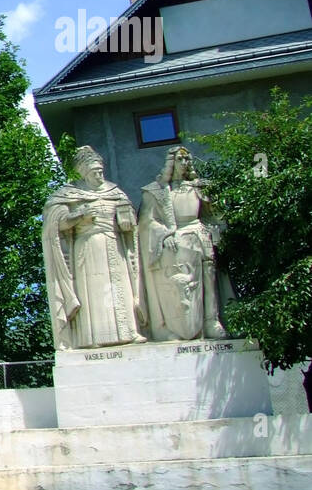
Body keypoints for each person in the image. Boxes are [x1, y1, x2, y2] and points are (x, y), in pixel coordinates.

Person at [42, 146, 147, 350]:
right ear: (84, 172)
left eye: (100, 171)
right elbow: (57, 223)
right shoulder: (70, 194)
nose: (99, 175)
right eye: (94, 172)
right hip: (88, 246)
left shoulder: (115, 192)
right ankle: (92, 337)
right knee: (93, 293)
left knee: (122, 287)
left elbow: (130, 220)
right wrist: (80, 216)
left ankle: (131, 331)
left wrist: (127, 221)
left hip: (115, 244)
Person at [139, 145, 228, 341]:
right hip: (174, 239)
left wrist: (213, 230)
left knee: (209, 276)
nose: (184, 163)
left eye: (187, 159)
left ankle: (211, 320)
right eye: (180, 159)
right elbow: (147, 221)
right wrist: (165, 234)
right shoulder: (158, 190)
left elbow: (215, 216)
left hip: (198, 234)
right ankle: (171, 325)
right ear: (171, 162)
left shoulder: (200, 187)